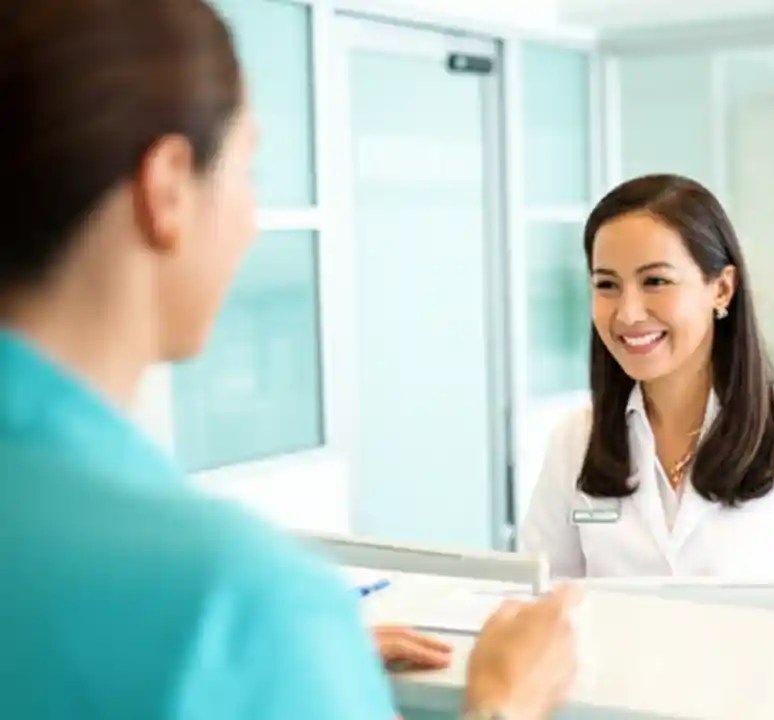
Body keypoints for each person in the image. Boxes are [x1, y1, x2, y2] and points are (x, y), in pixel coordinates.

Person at [0, 2, 576, 718]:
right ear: (167, 187)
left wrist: (299, 667)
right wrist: (505, 701)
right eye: (248, 168)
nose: (248, 222)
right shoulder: (229, 603)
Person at [521, 174, 774, 579]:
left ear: (722, 289)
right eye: (607, 284)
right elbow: (537, 601)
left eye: (655, 281)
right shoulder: (574, 440)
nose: (627, 313)